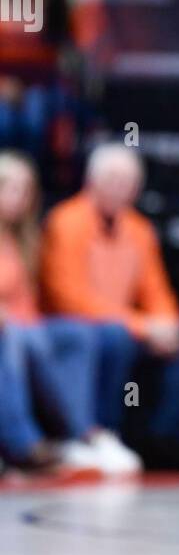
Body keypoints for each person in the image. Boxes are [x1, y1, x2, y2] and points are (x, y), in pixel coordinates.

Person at [39, 142, 179, 464]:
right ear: (92, 180)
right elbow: (68, 297)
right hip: (73, 325)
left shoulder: (139, 228)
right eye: (114, 179)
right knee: (115, 336)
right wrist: (142, 325)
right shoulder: (65, 221)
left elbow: (155, 289)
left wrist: (167, 324)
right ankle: (103, 432)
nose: (123, 188)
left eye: (130, 182)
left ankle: (164, 437)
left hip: (126, 324)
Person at [0, 150, 124, 473]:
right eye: (9, 187)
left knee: (79, 332)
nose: (18, 197)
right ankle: (24, 443)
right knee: (11, 337)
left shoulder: (24, 238)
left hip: (29, 327)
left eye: (25, 190)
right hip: (9, 332)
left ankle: (81, 433)